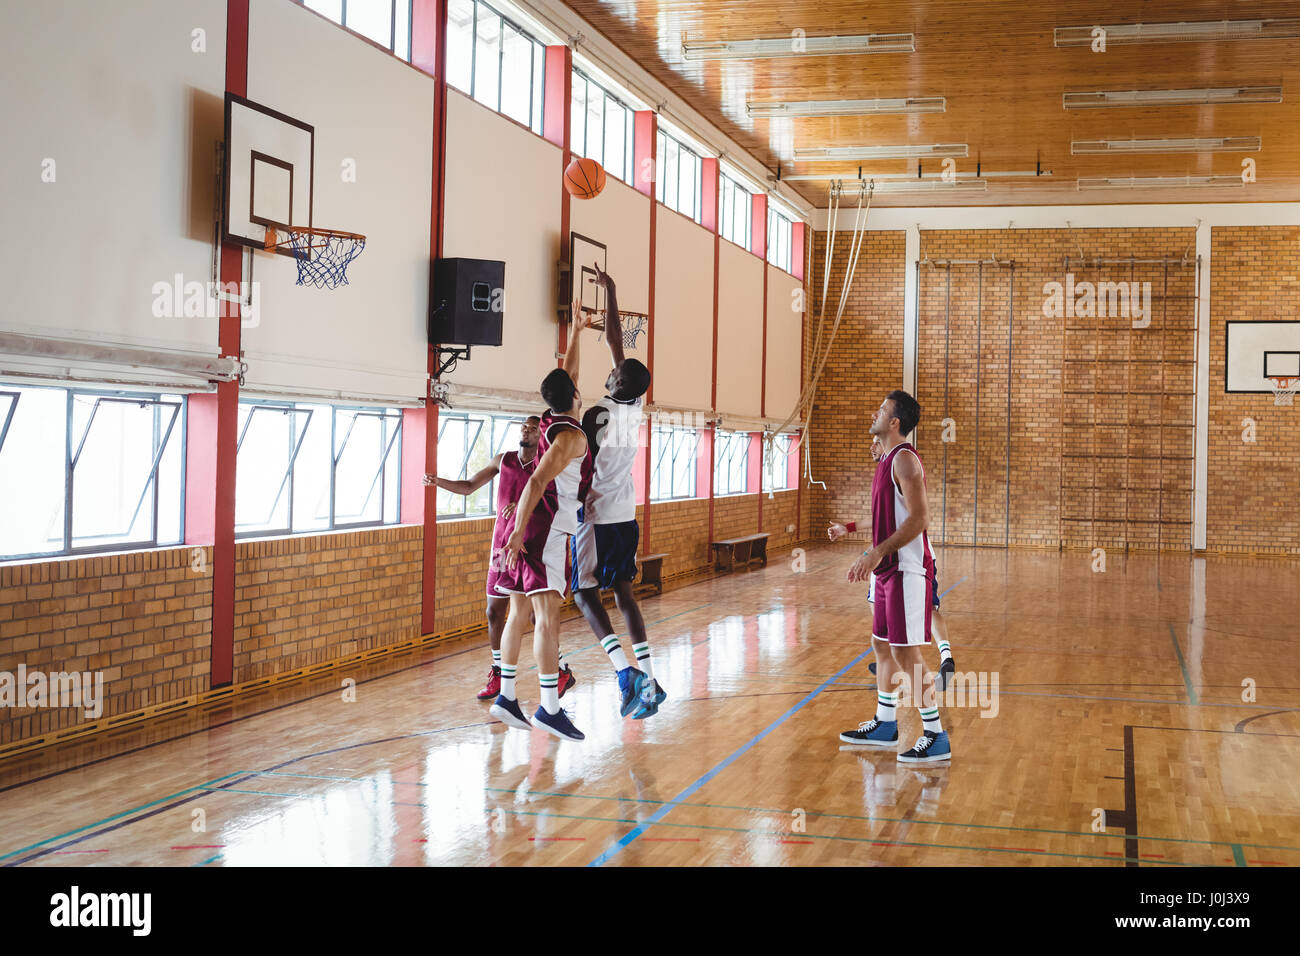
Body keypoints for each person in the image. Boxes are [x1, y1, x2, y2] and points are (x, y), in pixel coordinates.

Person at [491, 309, 594, 741]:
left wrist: (578, 332)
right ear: (573, 396)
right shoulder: (570, 436)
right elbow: (536, 480)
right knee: (548, 618)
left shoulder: (551, 419)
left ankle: (507, 695)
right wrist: (516, 534)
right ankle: (550, 708)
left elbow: (567, 372)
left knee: (518, 611)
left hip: (535, 526)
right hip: (546, 528)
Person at [834, 390, 952, 763]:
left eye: (882, 410)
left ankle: (935, 735)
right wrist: (852, 530)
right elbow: (889, 517)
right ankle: (886, 724)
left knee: (904, 652)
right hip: (886, 569)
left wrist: (878, 551)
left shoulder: (904, 460)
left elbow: (919, 519)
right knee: (881, 644)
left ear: (894, 422)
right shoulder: (886, 460)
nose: (875, 413)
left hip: (905, 569)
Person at [423, 415, 575, 701]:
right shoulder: (503, 460)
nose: (527, 430)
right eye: (523, 427)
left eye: (532, 427)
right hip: (501, 547)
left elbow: (552, 497)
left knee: (533, 615)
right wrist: (437, 482)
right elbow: (468, 486)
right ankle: (497, 672)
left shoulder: (549, 465)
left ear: (541, 435)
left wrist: (523, 504)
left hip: (532, 545)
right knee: (494, 612)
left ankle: (560, 667)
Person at [569, 265, 661, 719]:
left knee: (585, 595)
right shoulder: (635, 401)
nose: (611, 370)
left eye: (615, 372)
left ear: (615, 383)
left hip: (599, 514)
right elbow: (615, 344)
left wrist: (574, 509)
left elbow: (582, 468)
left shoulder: (595, 416)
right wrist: (612, 289)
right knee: (624, 594)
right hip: (626, 513)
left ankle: (625, 673)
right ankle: (650, 677)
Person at [829, 436, 955, 690]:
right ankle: (897, 660)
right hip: (892, 558)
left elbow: (913, 519)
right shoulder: (886, 470)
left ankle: (940, 661)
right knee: (879, 605)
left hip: (909, 558)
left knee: (924, 614)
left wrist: (870, 552)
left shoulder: (902, 463)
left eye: (876, 441)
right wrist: (847, 528)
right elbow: (877, 520)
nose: (872, 446)